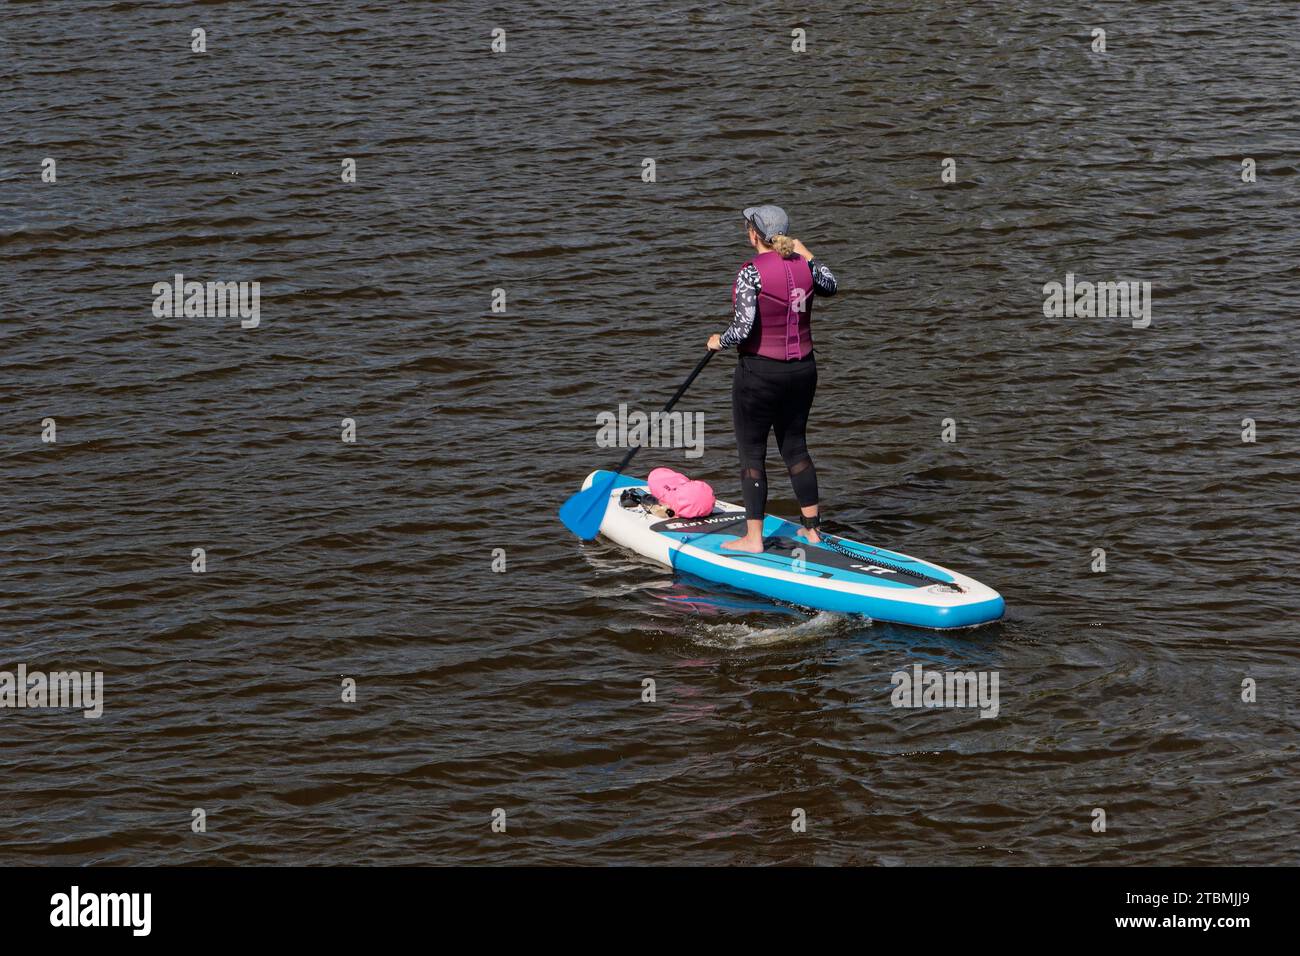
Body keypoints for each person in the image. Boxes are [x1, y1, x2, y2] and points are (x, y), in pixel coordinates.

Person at [706, 205, 837, 553]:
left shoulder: (751, 272)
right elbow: (831, 284)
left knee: (752, 452)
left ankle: (753, 539)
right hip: (803, 372)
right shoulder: (807, 267)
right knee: (795, 447)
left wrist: (720, 340)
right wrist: (806, 252)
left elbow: (744, 327)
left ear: (754, 235)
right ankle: (812, 531)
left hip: (760, 375)